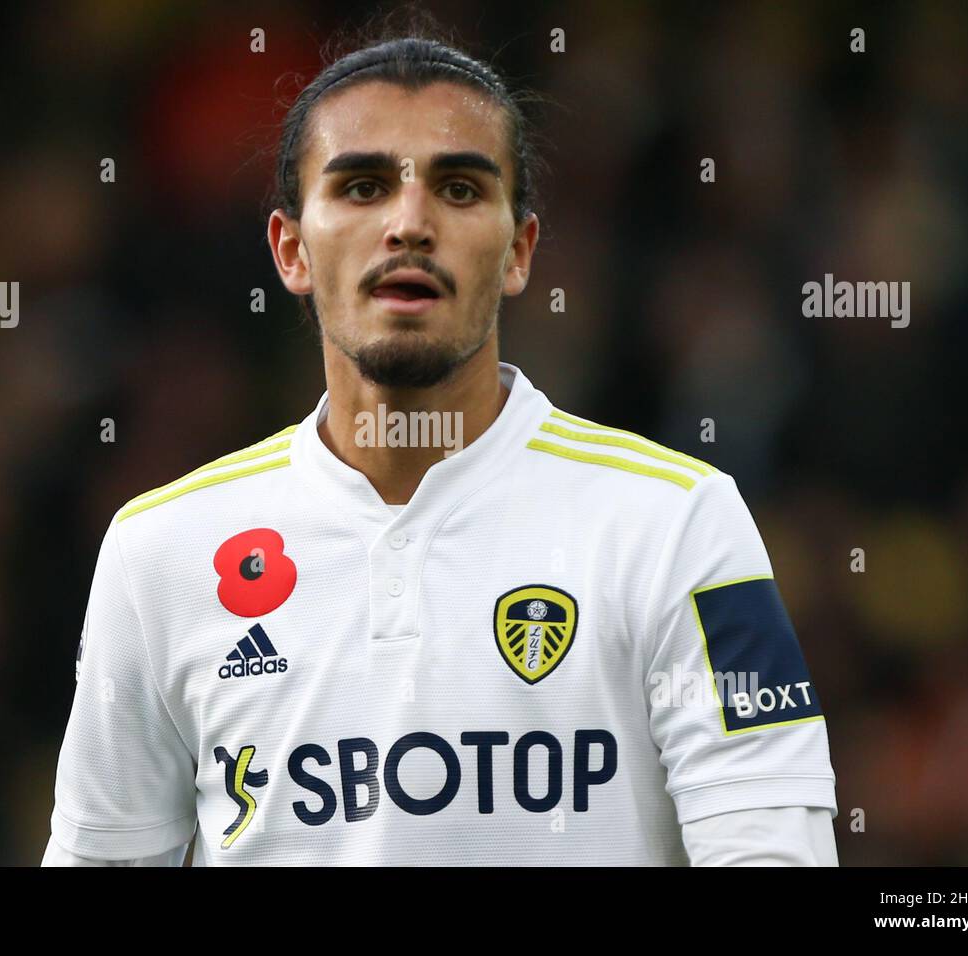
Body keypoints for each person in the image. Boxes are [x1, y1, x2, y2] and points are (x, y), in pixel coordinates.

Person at [43, 30, 838, 866]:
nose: (409, 224)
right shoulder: (159, 553)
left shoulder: (682, 524)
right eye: (362, 186)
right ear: (290, 250)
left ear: (520, 252)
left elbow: (773, 850)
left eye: (459, 189)